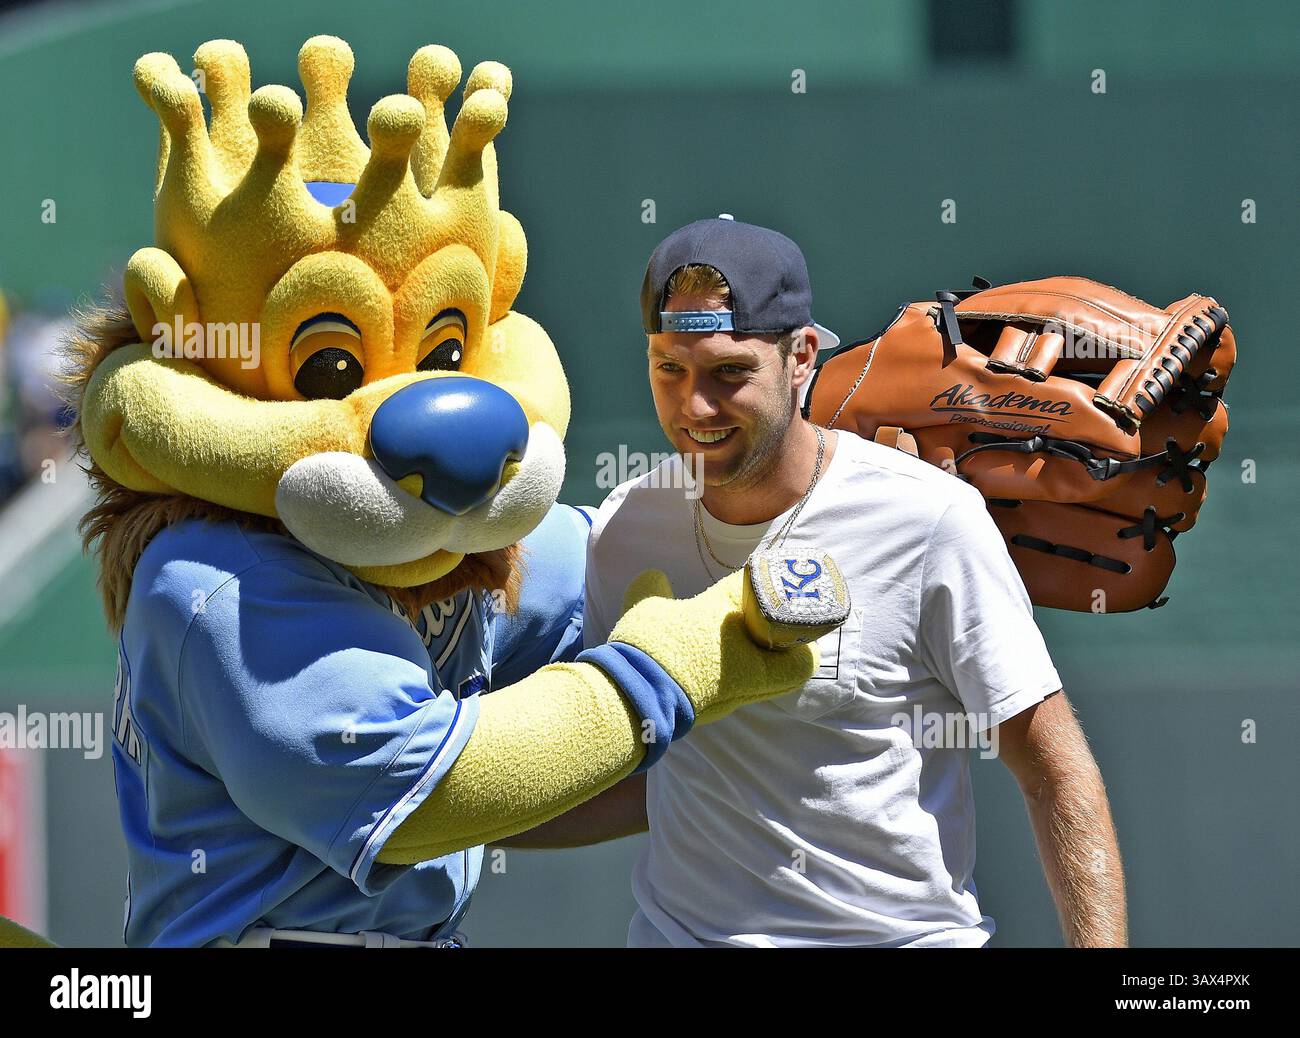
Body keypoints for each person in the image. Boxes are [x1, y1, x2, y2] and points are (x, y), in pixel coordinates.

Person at [512, 216, 1128, 947]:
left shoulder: (931, 519)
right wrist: (433, 823)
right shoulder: (627, 528)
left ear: (802, 356)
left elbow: (1055, 770)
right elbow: (650, 774)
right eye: (669, 369)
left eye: (729, 373)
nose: (694, 407)